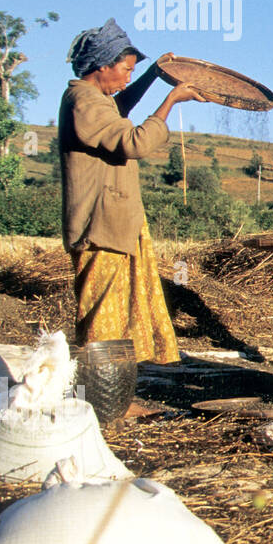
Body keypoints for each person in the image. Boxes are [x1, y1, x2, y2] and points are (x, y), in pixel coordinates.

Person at [59, 19, 206, 363]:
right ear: (102, 66)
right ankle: (100, 403)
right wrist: (171, 100)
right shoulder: (85, 102)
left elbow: (120, 106)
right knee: (102, 324)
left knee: (118, 321)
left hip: (114, 228)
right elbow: (134, 142)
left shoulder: (95, 99)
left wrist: (153, 74)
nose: (127, 78)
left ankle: (117, 398)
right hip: (100, 230)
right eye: (125, 70)